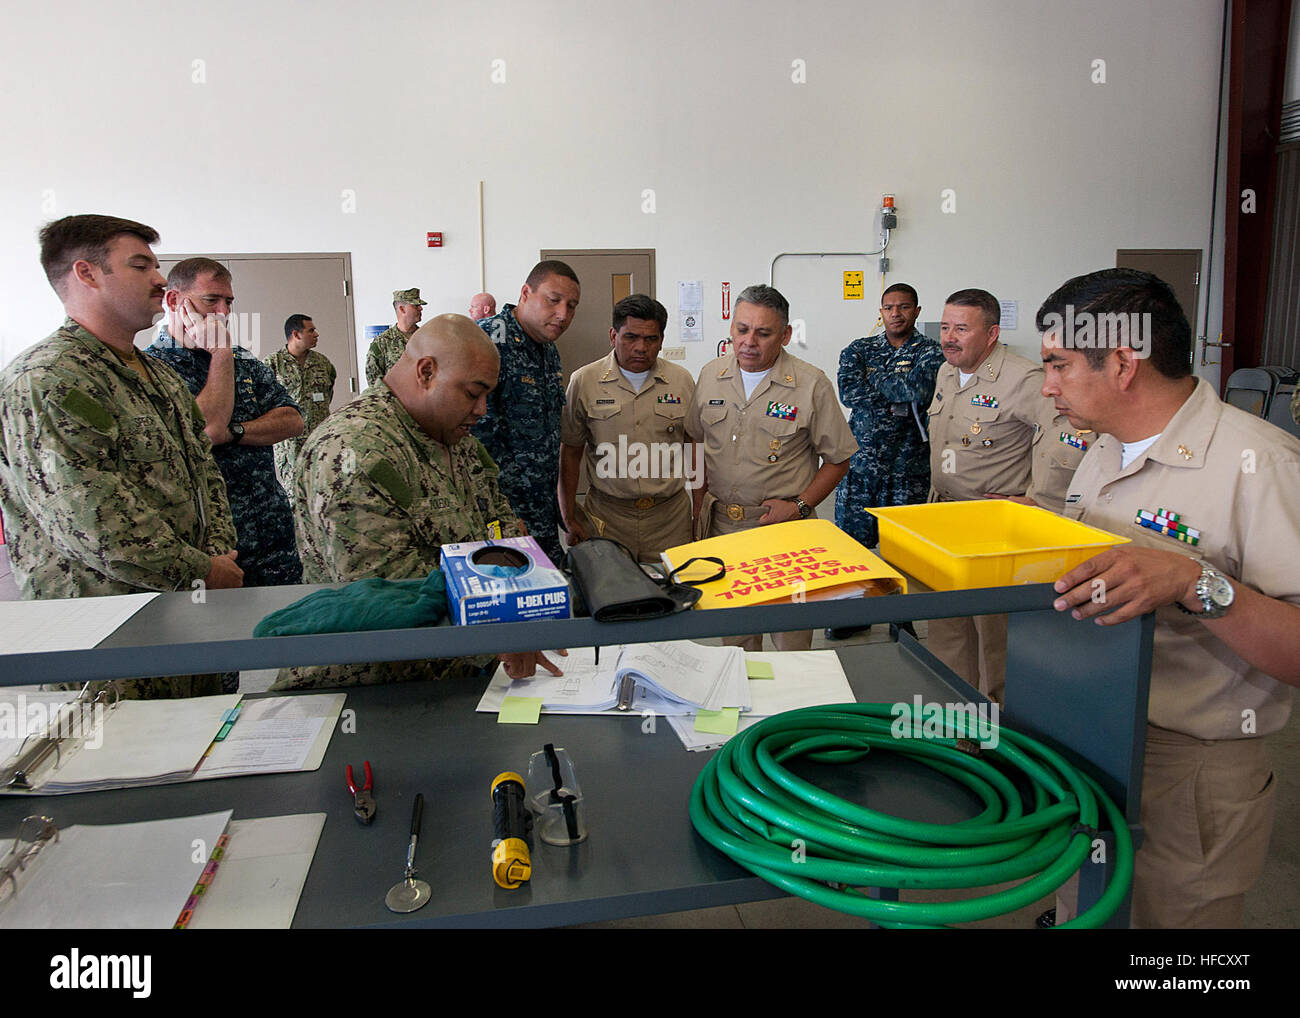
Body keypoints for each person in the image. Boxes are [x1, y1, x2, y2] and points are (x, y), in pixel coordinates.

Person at [1041, 267, 1299, 928]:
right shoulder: (1105, 450)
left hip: (1188, 769)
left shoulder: (1262, 467)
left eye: (1059, 365)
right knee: (1084, 911)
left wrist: (1193, 583)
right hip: (1086, 738)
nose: (1046, 388)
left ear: (1123, 362)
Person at [0, 214, 241, 698]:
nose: (158, 280)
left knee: (205, 755)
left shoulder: (158, 375)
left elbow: (203, 473)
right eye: (140, 266)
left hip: (189, 617)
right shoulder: (49, 379)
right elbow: (94, 521)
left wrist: (217, 553)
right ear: (86, 274)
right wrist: (204, 570)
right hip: (109, 638)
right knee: (123, 768)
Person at [274, 314, 557, 689]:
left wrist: (515, 618)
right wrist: (502, 622)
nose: (482, 409)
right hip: (368, 688)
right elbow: (394, 598)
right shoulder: (353, 452)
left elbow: (502, 529)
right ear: (426, 372)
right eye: (473, 393)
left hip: (463, 672)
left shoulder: (453, 437)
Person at [684, 284, 857, 652]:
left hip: (784, 531)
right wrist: (697, 504)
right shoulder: (711, 374)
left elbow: (839, 457)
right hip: (723, 529)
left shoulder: (811, 384)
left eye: (763, 333)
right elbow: (695, 443)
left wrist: (801, 506)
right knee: (736, 642)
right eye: (742, 329)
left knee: (791, 644)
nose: (749, 341)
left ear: (785, 335)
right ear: (731, 329)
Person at [147, 258, 304, 588]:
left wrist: (237, 432)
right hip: (212, 546)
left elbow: (291, 420)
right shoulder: (153, 368)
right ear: (174, 301)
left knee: (284, 631)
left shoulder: (242, 359)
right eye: (210, 300)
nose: (222, 312)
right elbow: (207, 429)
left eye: (228, 302)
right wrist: (219, 354)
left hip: (272, 535)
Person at [925, 288, 1045, 704]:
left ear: (992, 334)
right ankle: (954, 718)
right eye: (945, 327)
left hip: (993, 535)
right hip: (943, 521)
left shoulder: (1024, 379)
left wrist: (1040, 500)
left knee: (995, 641)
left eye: (961, 328)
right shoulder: (946, 371)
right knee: (947, 630)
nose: (949, 337)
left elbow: (1068, 442)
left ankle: (999, 735)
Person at [831, 282, 943, 639]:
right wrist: (895, 389)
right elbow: (849, 394)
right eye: (889, 307)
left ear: (917, 311)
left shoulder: (932, 352)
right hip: (861, 465)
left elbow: (917, 391)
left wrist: (876, 379)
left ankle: (901, 618)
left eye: (904, 307)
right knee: (851, 546)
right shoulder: (857, 349)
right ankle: (854, 614)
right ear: (880, 312)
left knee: (902, 551)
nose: (896, 313)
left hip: (907, 467)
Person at [559, 294, 696, 561]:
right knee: (612, 595)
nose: (641, 347)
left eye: (651, 339)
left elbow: (695, 447)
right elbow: (571, 452)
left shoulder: (681, 381)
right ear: (613, 335)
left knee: (676, 595)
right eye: (631, 337)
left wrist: (699, 510)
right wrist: (568, 515)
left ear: (661, 340)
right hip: (607, 518)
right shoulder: (584, 381)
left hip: (669, 519)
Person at [472, 261, 581, 568]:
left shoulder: (548, 349)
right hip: (499, 521)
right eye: (553, 300)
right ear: (525, 293)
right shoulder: (487, 341)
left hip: (541, 514)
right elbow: (468, 446)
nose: (563, 314)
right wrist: (498, 518)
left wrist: (564, 512)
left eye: (571, 306)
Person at [264, 314, 337, 494]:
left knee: (324, 491)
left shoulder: (322, 363)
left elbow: (329, 393)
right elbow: (264, 402)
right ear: (296, 334)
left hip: (319, 440)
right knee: (295, 495)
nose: (316, 334)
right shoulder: (273, 364)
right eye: (311, 330)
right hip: (289, 445)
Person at [365, 288, 426, 389]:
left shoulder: (426, 338)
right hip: (396, 403)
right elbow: (374, 383)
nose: (421, 308)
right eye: (416, 305)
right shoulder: (382, 343)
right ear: (402, 309)